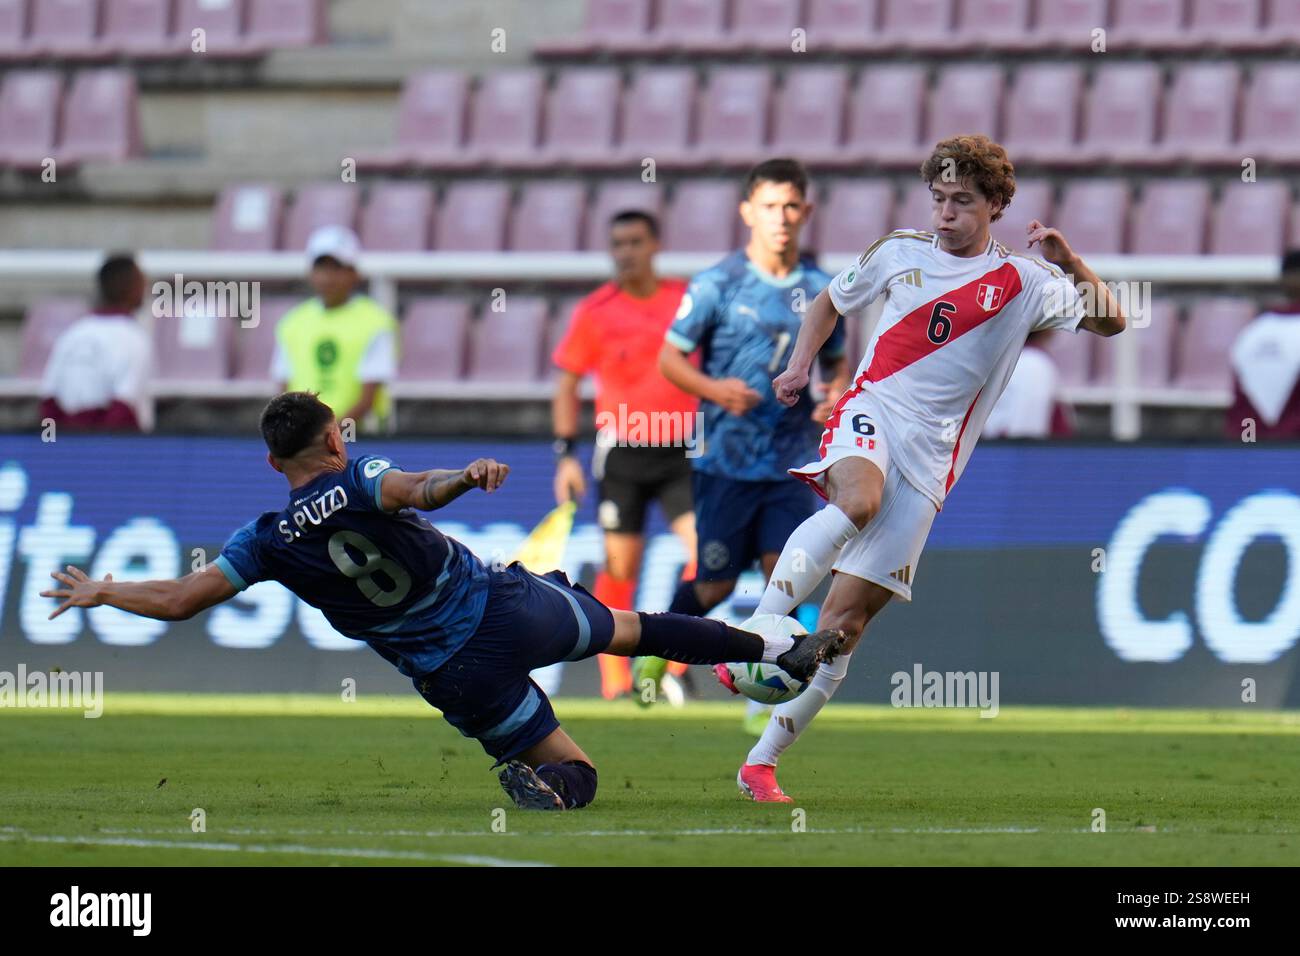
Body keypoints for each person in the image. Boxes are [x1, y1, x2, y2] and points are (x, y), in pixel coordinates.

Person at [41, 391, 845, 811]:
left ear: (269, 462)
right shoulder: (356, 477)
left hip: (448, 675)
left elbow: (182, 599)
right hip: (501, 609)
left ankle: (546, 789)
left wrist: (104, 589)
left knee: (581, 778)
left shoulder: (265, 539)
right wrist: (462, 476)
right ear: (331, 442)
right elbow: (412, 488)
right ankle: (779, 650)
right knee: (631, 630)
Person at [725, 134, 1126, 802]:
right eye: (938, 198)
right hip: (873, 407)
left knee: (843, 627)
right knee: (854, 501)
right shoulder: (899, 252)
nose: (945, 213)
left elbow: (1112, 323)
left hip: (934, 459)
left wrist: (1073, 263)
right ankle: (762, 625)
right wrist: (799, 364)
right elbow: (829, 302)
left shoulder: (1025, 282)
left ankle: (760, 763)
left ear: (995, 203)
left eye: (961, 201)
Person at [655, 158, 850, 727]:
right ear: (748, 212)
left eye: (791, 206)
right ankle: (659, 659)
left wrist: (832, 395)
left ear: (806, 211)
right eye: (770, 206)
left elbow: (837, 366)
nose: (781, 218)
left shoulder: (823, 290)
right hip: (724, 462)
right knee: (713, 582)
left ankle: (773, 689)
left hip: (792, 464)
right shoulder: (717, 283)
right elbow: (669, 358)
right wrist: (714, 389)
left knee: (784, 576)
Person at [551, 210, 698, 701]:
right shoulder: (596, 311)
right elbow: (568, 381)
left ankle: (672, 666)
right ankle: (616, 681)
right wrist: (565, 453)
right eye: (617, 243)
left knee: (704, 553)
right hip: (623, 454)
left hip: (683, 448)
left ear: (655, 245)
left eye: (635, 242)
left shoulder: (685, 299)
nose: (626, 252)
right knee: (620, 569)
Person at [271, 226, 398, 433]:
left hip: (360, 438)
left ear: (354, 273)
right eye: (321, 267)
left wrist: (330, 436)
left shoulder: (376, 322)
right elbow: (283, 389)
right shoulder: (292, 322)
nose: (327, 277)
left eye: (336, 268)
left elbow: (369, 398)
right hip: (306, 440)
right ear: (311, 273)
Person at [39, 254, 152, 432]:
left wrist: (56, 445)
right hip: (118, 451)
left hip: (70, 446)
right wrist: (94, 449)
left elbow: (49, 405)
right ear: (133, 288)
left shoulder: (71, 335)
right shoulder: (134, 339)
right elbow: (124, 408)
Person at [1225, 249, 1300, 439]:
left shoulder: (1254, 330)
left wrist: (1245, 442)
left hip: (1254, 447)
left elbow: (1241, 411)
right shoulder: (1255, 331)